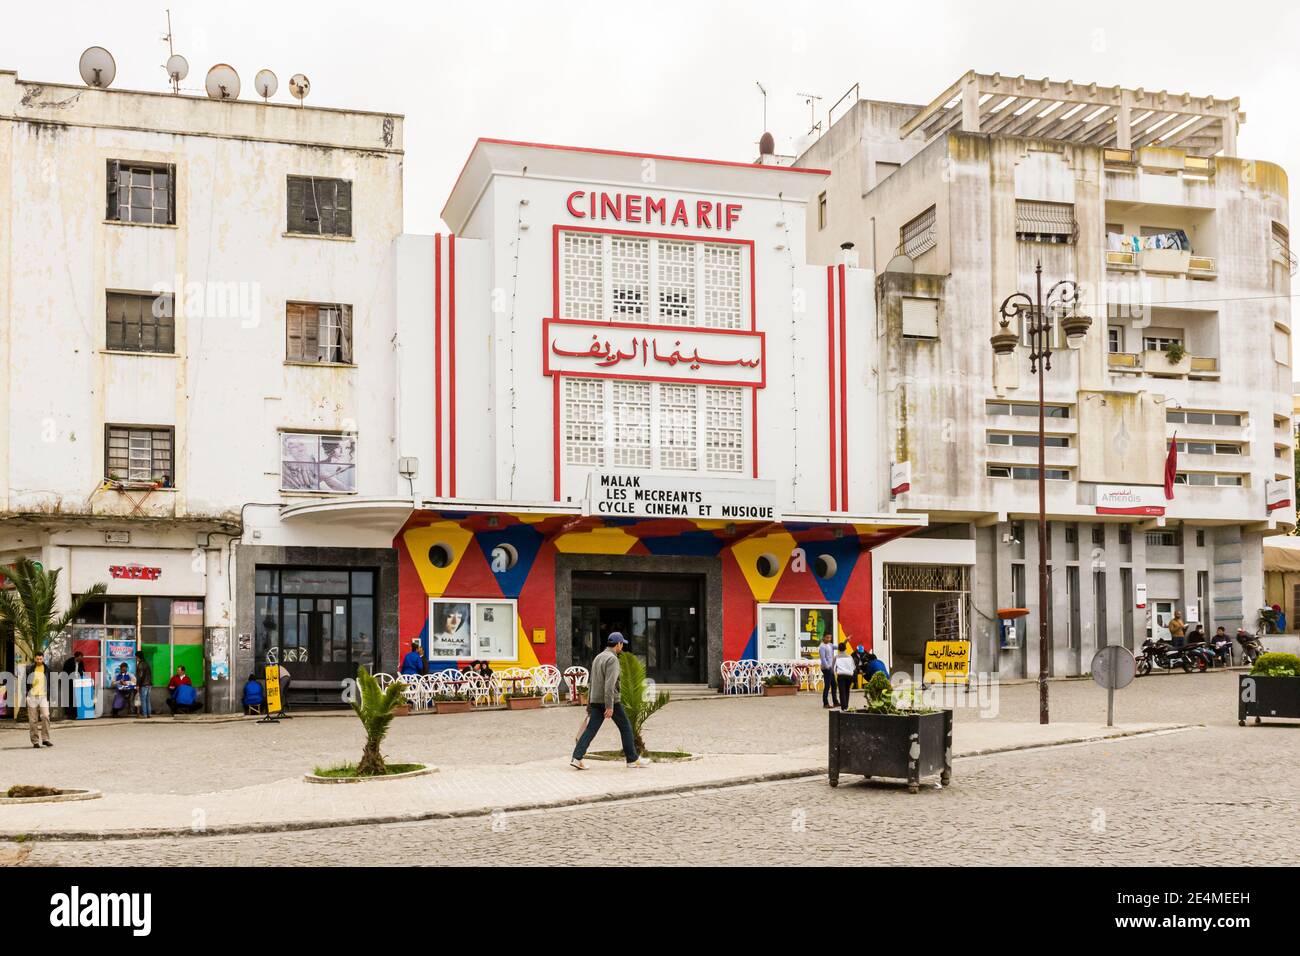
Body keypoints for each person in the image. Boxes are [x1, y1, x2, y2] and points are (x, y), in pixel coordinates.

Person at [570, 632, 650, 770]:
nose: (622, 647)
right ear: (618, 644)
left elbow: (592, 682)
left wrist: (589, 704)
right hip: (610, 701)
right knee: (625, 728)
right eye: (622, 644)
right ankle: (632, 760)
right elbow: (610, 684)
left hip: (595, 700)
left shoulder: (598, 657)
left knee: (590, 730)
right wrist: (610, 706)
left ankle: (576, 758)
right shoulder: (612, 659)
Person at [25, 651, 54, 748]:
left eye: (41, 659)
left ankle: (45, 739)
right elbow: (23, 683)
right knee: (33, 720)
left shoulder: (47, 669)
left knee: (46, 716)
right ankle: (35, 741)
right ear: (34, 658)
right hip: (31, 696)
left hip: (43, 696)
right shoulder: (29, 669)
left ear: (43, 658)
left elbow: (50, 683)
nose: (39, 660)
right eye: (37, 659)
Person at [61, 650, 86, 718]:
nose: (81, 659)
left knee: (76, 698)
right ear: (76, 657)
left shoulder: (81, 663)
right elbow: (65, 672)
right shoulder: (68, 662)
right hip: (69, 682)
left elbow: (83, 671)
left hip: (78, 683)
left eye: (82, 657)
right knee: (70, 698)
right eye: (80, 657)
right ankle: (69, 714)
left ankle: (76, 713)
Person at [832, 641, 856, 712]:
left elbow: (833, 668)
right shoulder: (850, 657)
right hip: (849, 675)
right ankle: (846, 705)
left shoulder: (836, 657)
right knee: (847, 691)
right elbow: (853, 667)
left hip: (841, 675)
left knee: (842, 691)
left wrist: (836, 672)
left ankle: (844, 707)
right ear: (845, 649)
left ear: (838, 649)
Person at [818, 633, 838, 709]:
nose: (829, 639)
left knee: (834, 685)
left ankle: (835, 702)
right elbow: (823, 659)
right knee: (827, 686)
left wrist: (846, 641)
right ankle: (825, 703)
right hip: (826, 669)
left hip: (830, 668)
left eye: (830, 637)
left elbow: (839, 647)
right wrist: (827, 667)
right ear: (823, 638)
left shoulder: (830, 645)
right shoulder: (822, 647)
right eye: (827, 637)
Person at [135, 650, 153, 718]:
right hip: (149, 684)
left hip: (144, 685)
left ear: (138, 657)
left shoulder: (140, 664)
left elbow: (140, 676)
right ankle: (149, 714)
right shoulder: (147, 663)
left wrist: (137, 685)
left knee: (143, 699)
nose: (136, 658)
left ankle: (144, 714)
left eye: (136, 657)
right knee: (147, 699)